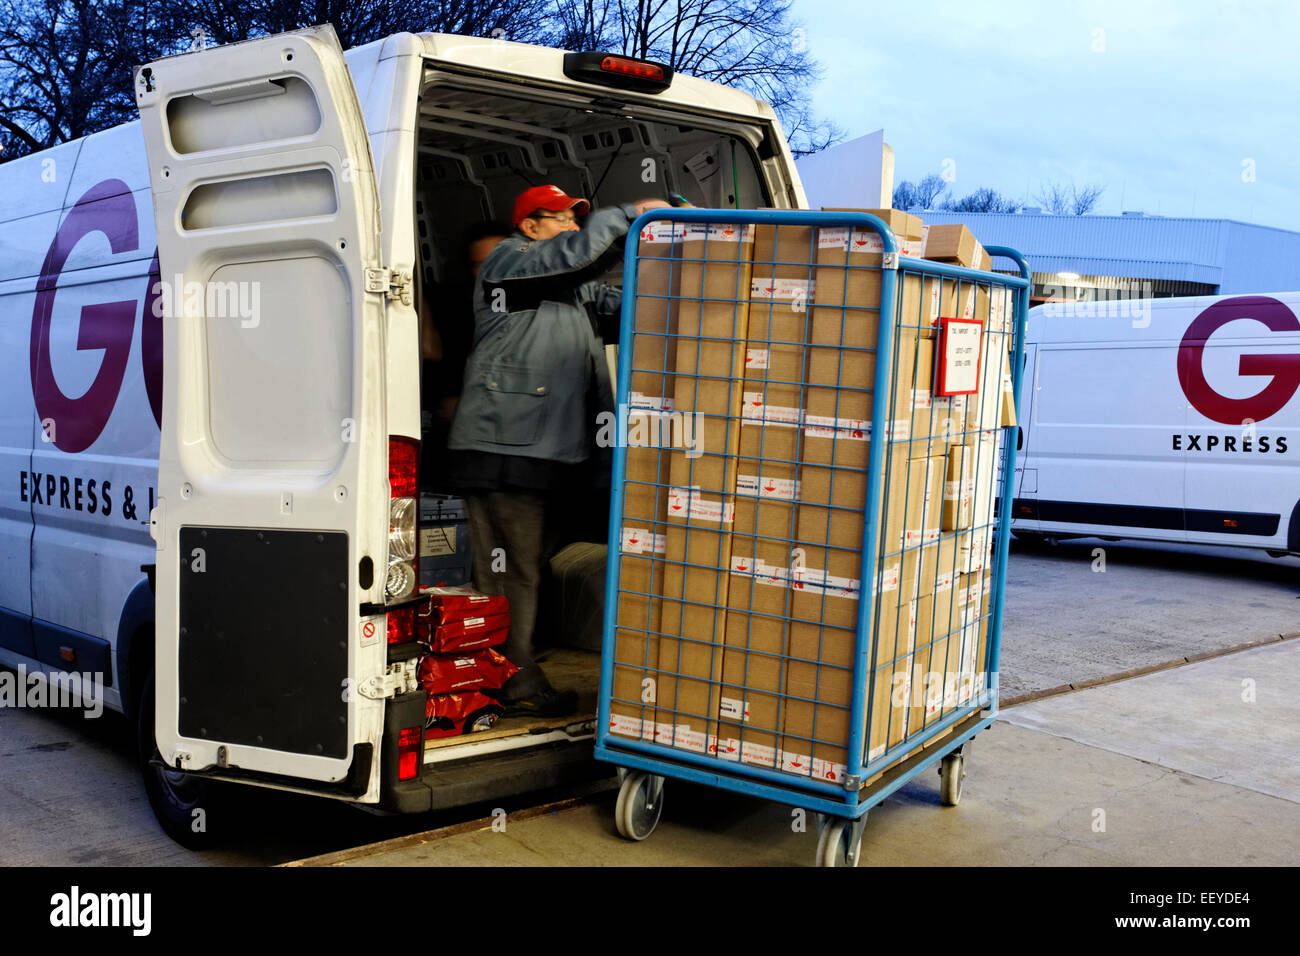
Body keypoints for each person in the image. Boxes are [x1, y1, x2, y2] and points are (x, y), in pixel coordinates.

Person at [447, 185, 669, 717]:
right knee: (510, 572)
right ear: (529, 227)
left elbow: (637, 308)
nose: (573, 227)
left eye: (577, 219)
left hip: (556, 454)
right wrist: (632, 215)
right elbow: (577, 254)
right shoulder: (509, 262)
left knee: (530, 567)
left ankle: (513, 663)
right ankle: (512, 683)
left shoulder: (573, 288)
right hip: (504, 449)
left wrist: (682, 251)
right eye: (563, 218)